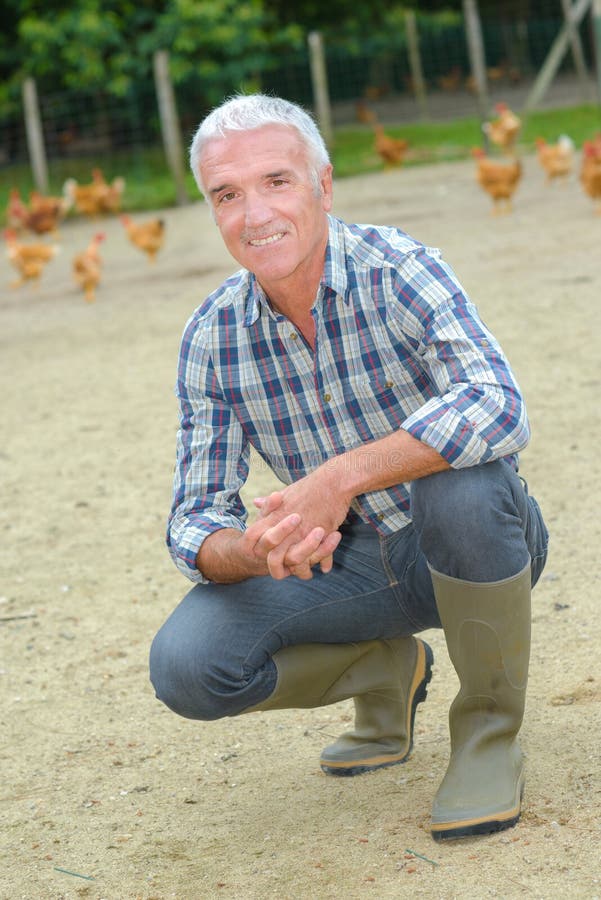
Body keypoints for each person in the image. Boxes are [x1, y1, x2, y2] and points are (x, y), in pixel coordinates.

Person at [149, 94, 549, 841]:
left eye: (276, 181)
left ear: (323, 187)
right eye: (227, 195)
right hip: (340, 572)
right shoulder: (212, 335)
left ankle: (488, 736)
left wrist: (336, 479)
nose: (254, 214)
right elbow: (193, 516)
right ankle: (383, 671)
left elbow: (496, 403)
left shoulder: (398, 269)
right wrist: (254, 546)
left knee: (462, 486)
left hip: (460, 546)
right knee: (188, 666)